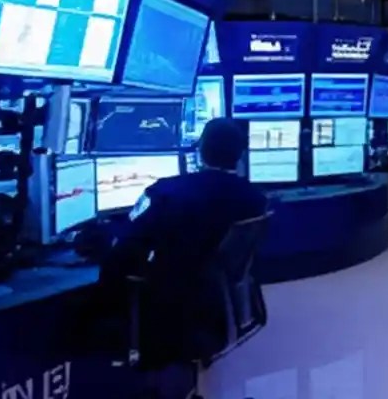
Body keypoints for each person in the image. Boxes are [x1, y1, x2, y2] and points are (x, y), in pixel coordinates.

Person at [97, 117, 269, 395]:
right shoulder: (255, 198)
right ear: (240, 154)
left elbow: (127, 243)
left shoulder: (166, 191)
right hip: (221, 302)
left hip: (171, 302)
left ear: (200, 149)